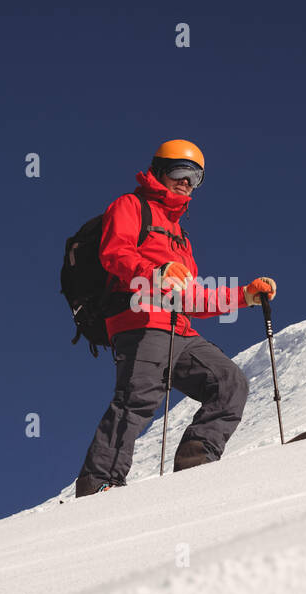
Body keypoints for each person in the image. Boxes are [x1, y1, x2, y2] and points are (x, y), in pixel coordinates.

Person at [74, 139, 277, 497]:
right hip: (140, 320)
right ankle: (99, 484)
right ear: (159, 170)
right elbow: (114, 253)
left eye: (195, 176)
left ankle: (195, 466)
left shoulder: (182, 238)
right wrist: (155, 272)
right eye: (180, 171)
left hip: (178, 328)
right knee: (138, 398)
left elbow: (192, 297)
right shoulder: (131, 205)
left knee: (229, 382)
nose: (186, 182)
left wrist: (244, 295)